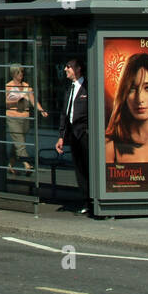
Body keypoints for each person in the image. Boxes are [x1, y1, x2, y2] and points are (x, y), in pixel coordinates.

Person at [55, 58, 92, 214]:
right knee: (79, 169)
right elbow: (65, 113)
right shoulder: (69, 88)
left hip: (86, 134)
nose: (65, 69)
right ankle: (85, 200)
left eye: (68, 67)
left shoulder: (88, 87)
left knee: (89, 167)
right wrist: (61, 136)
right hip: (73, 135)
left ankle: (92, 201)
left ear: (77, 69)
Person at [5, 64, 47, 171]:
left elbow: (33, 100)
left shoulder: (26, 86)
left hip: (25, 118)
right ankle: (27, 163)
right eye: (20, 72)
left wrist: (41, 110)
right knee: (20, 142)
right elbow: (4, 102)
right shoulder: (8, 86)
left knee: (18, 142)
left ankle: (10, 164)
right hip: (13, 118)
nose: (22, 75)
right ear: (14, 74)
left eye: (22, 72)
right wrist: (17, 100)